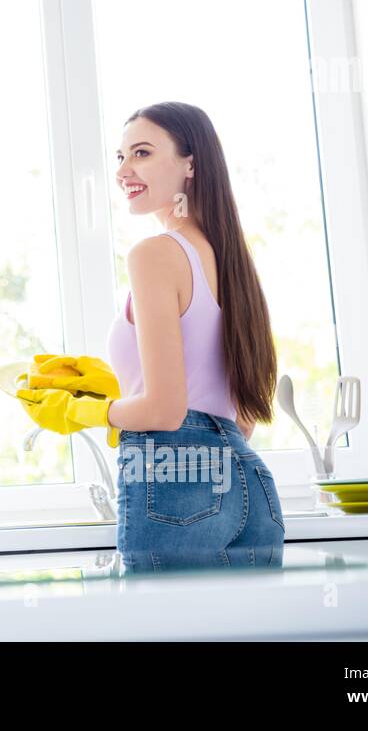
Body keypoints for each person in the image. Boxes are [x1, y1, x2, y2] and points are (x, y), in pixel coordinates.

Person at [102, 101, 285, 572]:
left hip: (174, 489)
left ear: (190, 163)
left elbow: (164, 411)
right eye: (119, 156)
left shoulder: (153, 255)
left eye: (141, 152)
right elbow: (242, 418)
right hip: (251, 486)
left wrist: (93, 409)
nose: (124, 169)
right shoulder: (230, 261)